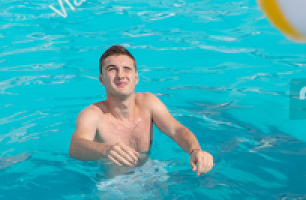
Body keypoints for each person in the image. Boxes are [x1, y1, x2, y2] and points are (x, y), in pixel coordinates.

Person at [68, 45, 215, 176]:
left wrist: (195, 150)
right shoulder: (93, 114)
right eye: (112, 69)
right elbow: (75, 146)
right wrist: (106, 150)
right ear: (101, 79)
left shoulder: (148, 103)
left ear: (136, 77)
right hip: (115, 181)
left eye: (127, 69)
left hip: (150, 170)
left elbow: (177, 130)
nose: (120, 75)